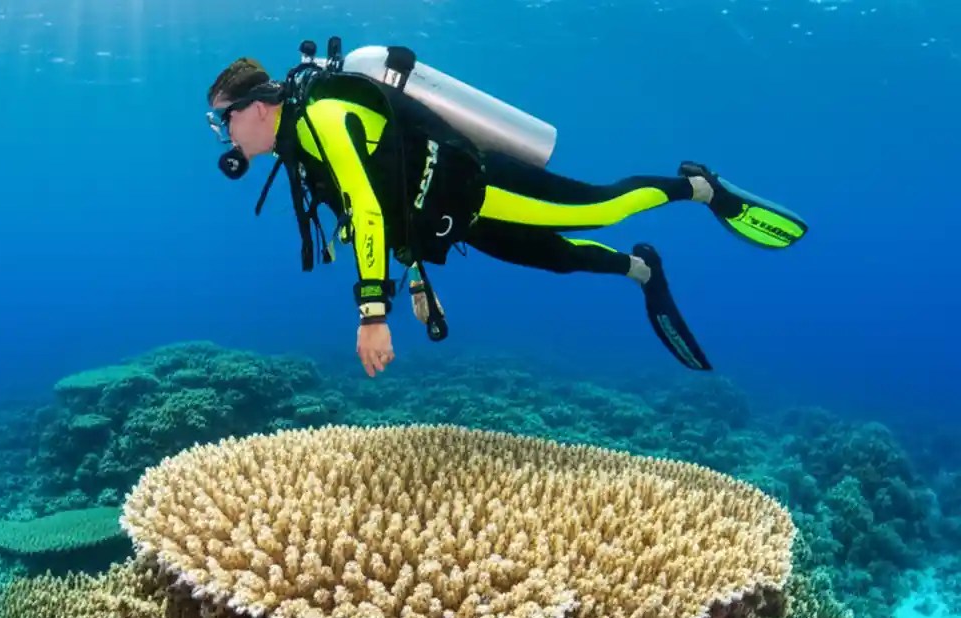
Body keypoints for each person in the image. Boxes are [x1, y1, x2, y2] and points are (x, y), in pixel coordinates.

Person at [204, 42, 808, 378]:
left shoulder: (323, 118)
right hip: (458, 218)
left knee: (602, 207)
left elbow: (365, 207)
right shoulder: (298, 148)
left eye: (222, 120)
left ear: (257, 107)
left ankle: (702, 189)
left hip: (482, 189)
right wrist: (414, 275)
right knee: (557, 260)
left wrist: (371, 315)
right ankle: (643, 271)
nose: (223, 135)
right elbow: (385, 199)